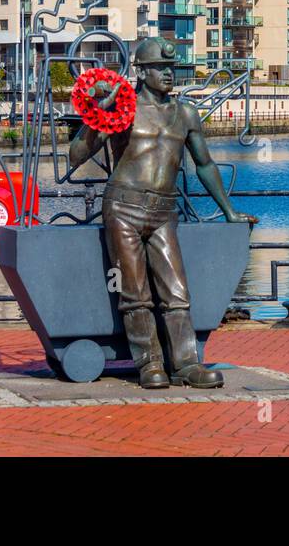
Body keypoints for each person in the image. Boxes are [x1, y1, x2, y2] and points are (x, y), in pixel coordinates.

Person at [68, 37, 257, 389]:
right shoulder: (123, 110)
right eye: (160, 68)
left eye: (171, 68)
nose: (168, 73)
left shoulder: (185, 114)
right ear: (142, 72)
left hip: (164, 211)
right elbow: (76, 156)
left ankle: (186, 364)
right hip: (123, 208)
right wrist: (98, 117)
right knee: (134, 292)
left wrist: (229, 211)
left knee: (176, 290)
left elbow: (205, 165)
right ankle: (149, 363)